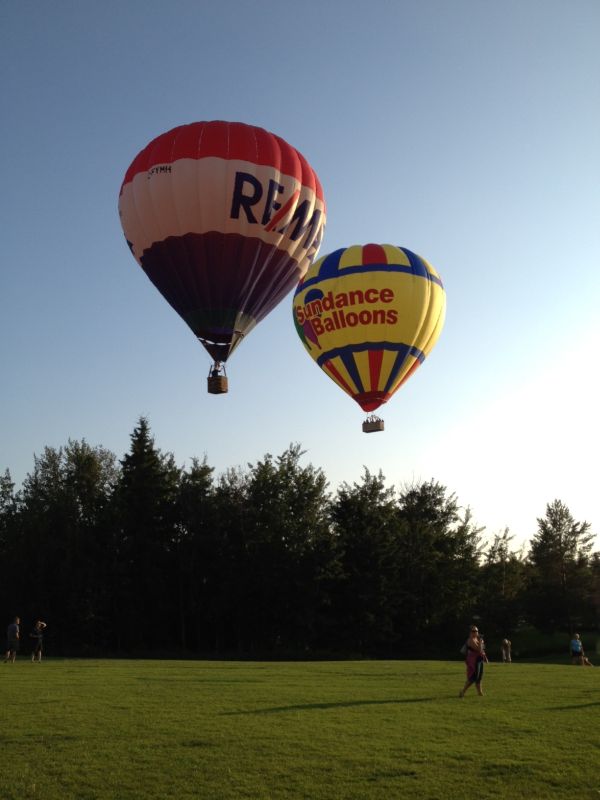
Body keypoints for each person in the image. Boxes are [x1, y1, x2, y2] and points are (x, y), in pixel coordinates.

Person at [459, 625, 485, 697]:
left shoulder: (477, 638)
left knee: (479, 676)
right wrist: (480, 642)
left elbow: (482, 649)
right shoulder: (470, 640)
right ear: (470, 632)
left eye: (476, 631)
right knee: (473, 677)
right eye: (474, 631)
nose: (476, 632)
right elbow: (479, 649)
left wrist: (481, 642)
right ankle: (462, 691)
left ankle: (480, 692)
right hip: (473, 660)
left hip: (479, 659)